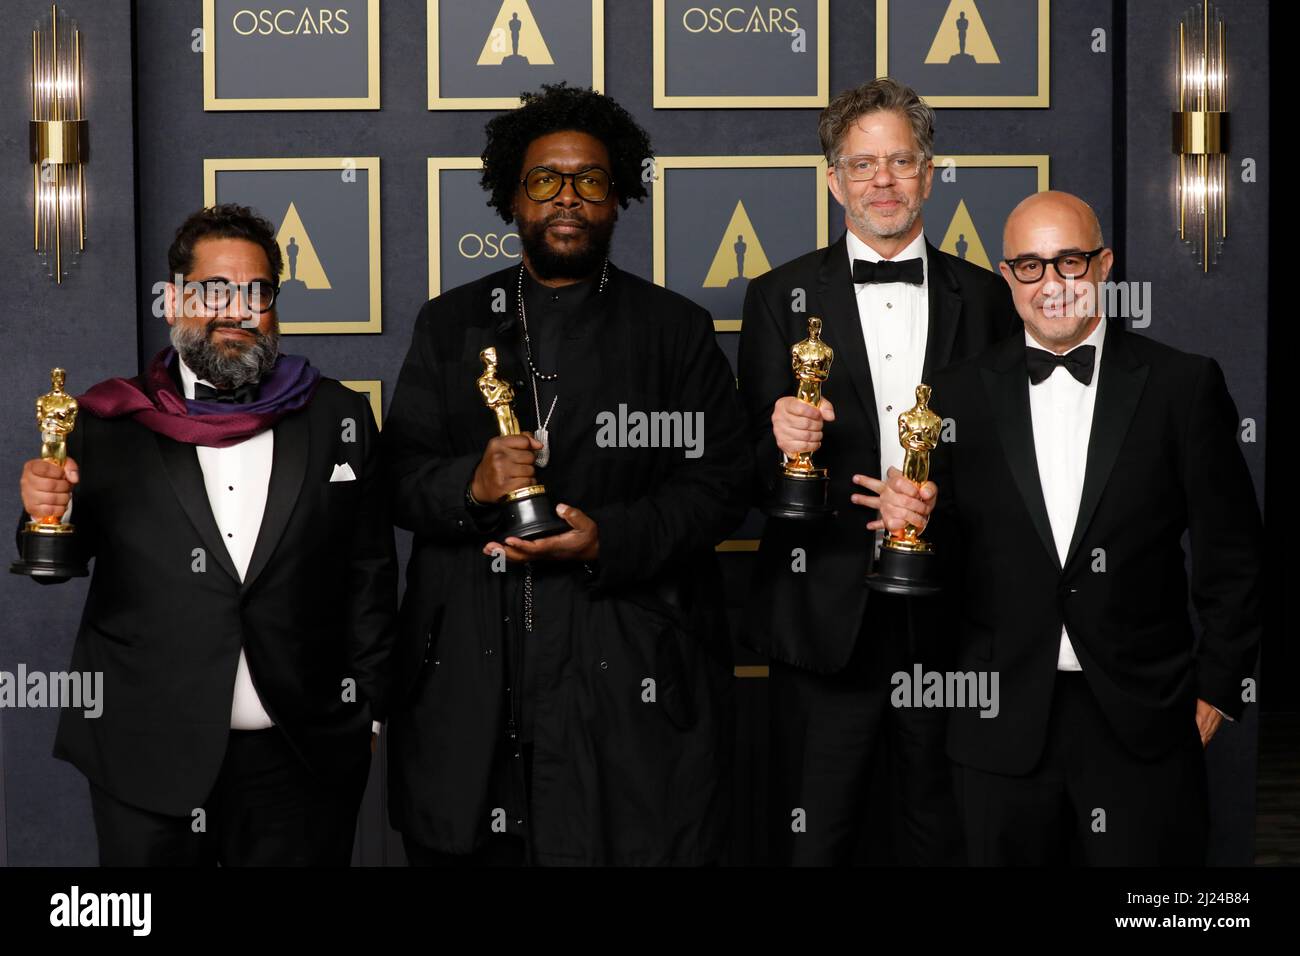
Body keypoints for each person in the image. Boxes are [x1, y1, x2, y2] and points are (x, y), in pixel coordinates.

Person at [383, 83, 751, 866]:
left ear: (618, 196)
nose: (567, 199)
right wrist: (472, 487)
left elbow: (720, 486)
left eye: (590, 180)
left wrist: (605, 540)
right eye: (544, 179)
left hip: (628, 677)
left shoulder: (675, 330)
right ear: (510, 196)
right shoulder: (448, 325)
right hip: (470, 675)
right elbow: (399, 477)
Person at [16, 204, 396, 865]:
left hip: (299, 760)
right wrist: (43, 512)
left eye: (257, 292)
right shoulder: (108, 420)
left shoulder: (337, 414)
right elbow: (56, 560)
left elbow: (368, 572)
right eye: (216, 290)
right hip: (143, 754)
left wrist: (370, 711)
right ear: (178, 301)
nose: (237, 310)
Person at [915, 191, 1264, 864]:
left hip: (1143, 720)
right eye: (1030, 266)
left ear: (1104, 266)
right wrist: (915, 527)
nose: (1051, 285)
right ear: (1006, 273)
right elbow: (947, 563)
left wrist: (1219, 686)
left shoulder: (1181, 386)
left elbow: (1234, 552)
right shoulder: (956, 394)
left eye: (1069, 263)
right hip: (998, 721)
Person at [737, 77, 1018, 865]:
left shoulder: (990, 299)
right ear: (833, 180)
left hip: (956, 619)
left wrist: (942, 503)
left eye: (901, 162)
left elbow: (1015, 468)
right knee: (814, 837)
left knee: (946, 833)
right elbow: (744, 475)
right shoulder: (777, 296)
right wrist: (777, 436)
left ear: (930, 174)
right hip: (821, 614)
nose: (882, 183)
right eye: (862, 166)